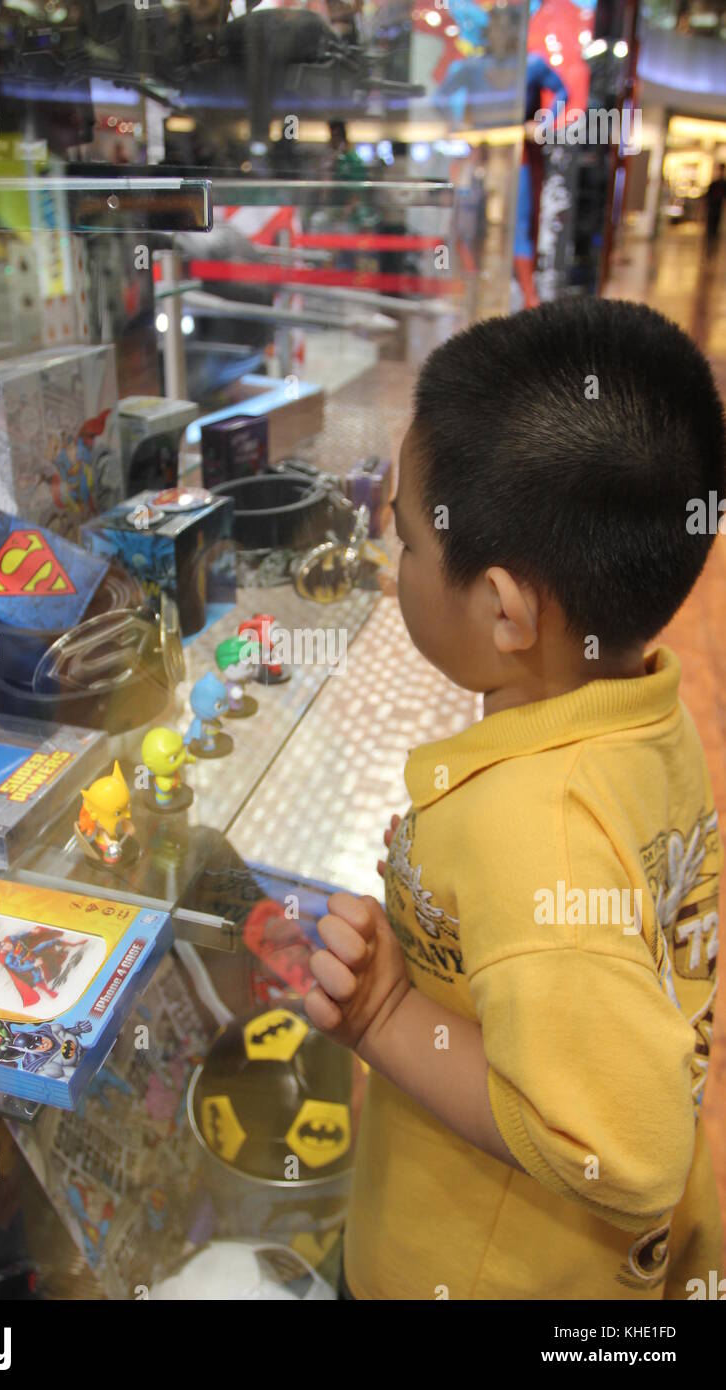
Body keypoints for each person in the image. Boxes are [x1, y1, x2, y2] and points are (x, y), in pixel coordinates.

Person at [305, 297, 726, 1301]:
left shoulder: (536, 835)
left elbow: (624, 1150)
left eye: (405, 541)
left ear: (502, 609)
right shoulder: (634, 709)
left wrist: (388, 1014)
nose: (389, 562)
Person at [705, 163, 726, 257]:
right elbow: (708, 196)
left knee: (715, 223)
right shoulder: (714, 183)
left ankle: (713, 239)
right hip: (712, 207)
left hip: (718, 207)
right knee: (711, 224)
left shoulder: (723, 184)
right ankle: (710, 239)